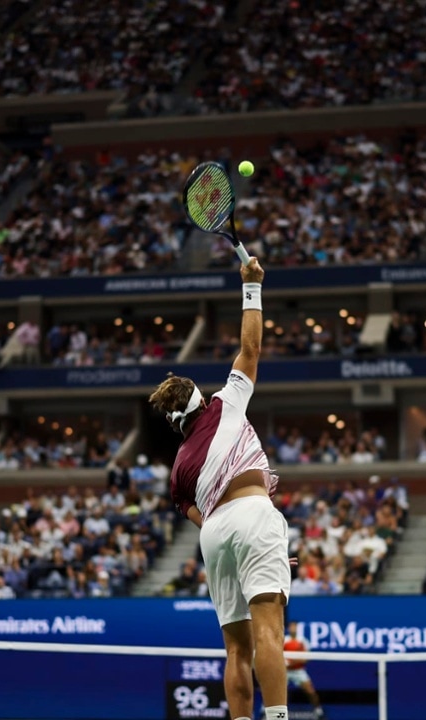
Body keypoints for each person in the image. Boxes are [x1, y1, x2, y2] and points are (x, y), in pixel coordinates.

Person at [148, 257, 292, 720]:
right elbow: (251, 348)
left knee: (237, 648)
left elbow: (200, 516)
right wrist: (252, 286)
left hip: (214, 534)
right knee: (269, 632)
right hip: (253, 515)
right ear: (200, 397)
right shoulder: (225, 403)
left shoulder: (178, 468)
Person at [285, 622, 326, 718]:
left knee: (310, 691)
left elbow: (306, 658)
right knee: (281, 693)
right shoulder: (284, 640)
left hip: (299, 671)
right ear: (288, 628)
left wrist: (291, 662)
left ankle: (318, 711)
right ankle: (267, 711)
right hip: (285, 671)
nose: (293, 628)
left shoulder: (303, 641)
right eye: (291, 626)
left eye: (295, 626)